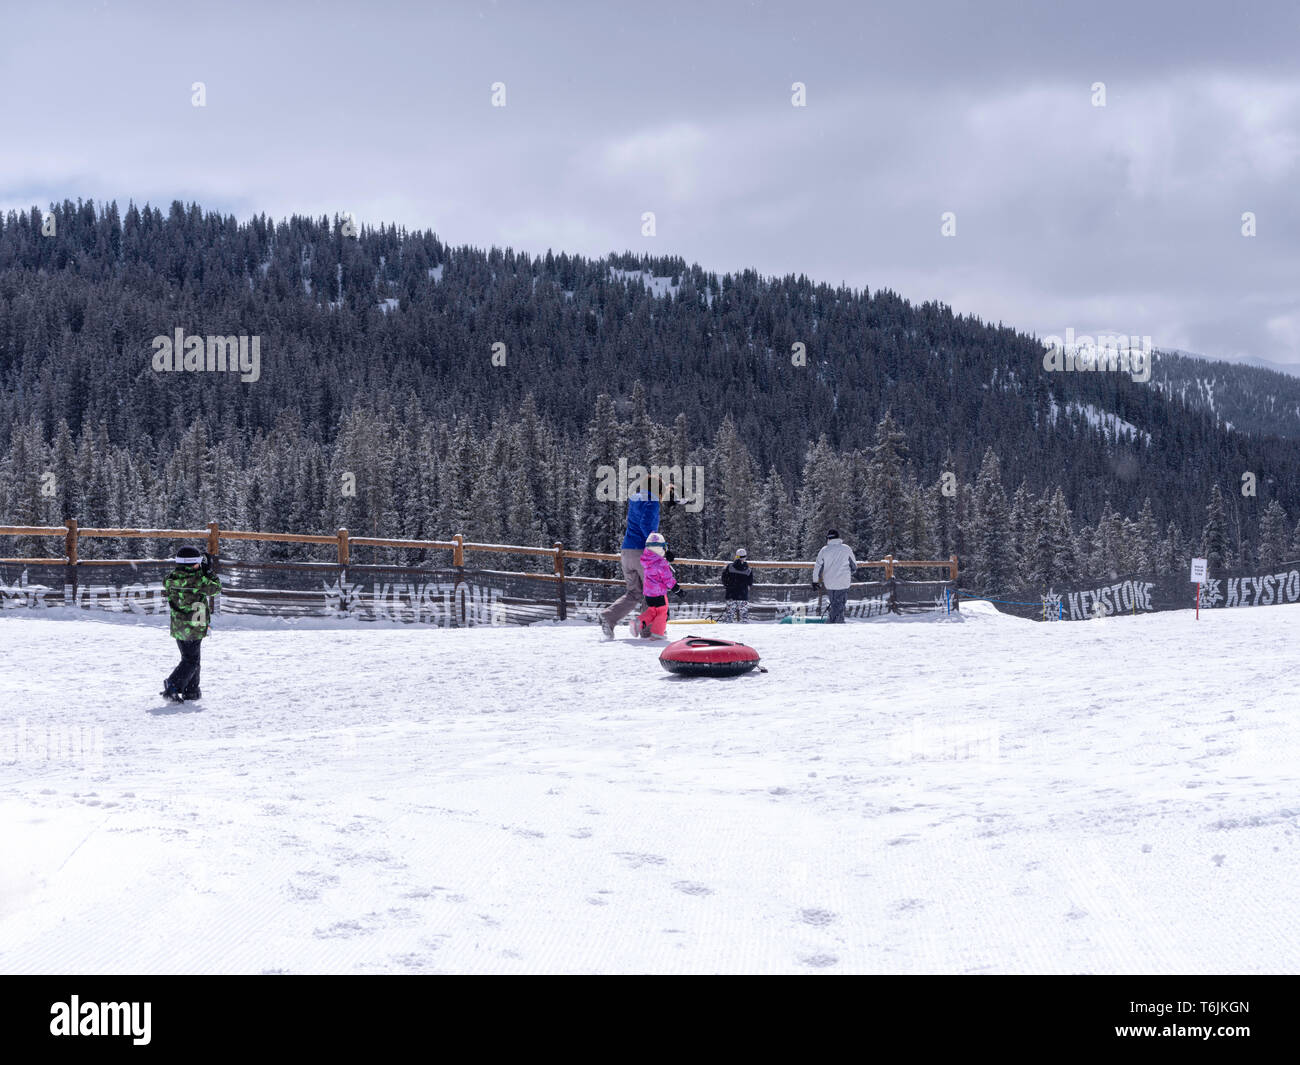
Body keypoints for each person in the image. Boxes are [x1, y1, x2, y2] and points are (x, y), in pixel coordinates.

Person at [599, 475, 681, 639]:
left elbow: (651, 500)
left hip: (627, 551)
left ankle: (609, 617)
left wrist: (671, 496)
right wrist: (662, 550)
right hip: (642, 553)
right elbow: (647, 526)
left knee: (634, 593)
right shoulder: (652, 503)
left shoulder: (635, 500)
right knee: (651, 592)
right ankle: (650, 630)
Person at [161, 546, 222, 702]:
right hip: (195, 624)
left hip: (178, 624)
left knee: (191, 658)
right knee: (191, 660)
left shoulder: (170, 578)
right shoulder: (199, 580)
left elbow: (166, 583)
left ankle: (191, 690)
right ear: (193, 563)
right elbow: (216, 588)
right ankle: (172, 684)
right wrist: (208, 571)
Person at [636, 531, 685, 638]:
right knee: (663, 612)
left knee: (652, 611)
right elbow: (668, 579)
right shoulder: (661, 564)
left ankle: (639, 622)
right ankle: (657, 633)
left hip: (648, 593)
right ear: (660, 548)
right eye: (664, 547)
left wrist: (665, 558)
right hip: (659, 594)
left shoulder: (647, 560)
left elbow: (658, 559)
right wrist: (677, 589)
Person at [811, 529, 857, 624]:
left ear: (828, 538)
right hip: (843, 582)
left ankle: (833, 624)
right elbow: (854, 566)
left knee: (835, 604)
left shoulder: (824, 550)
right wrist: (849, 571)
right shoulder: (846, 548)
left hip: (829, 583)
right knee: (839, 606)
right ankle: (835, 624)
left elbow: (817, 566)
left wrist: (815, 581)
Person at [720, 547, 753, 623]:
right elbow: (750, 582)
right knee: (744, 616)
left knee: (729, 616)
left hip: (731, 594)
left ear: (736, 556)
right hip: (743, 595)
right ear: (745, 557)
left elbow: (724, 578)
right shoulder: (748, 569)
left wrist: (728, 586)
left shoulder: (729, 567)